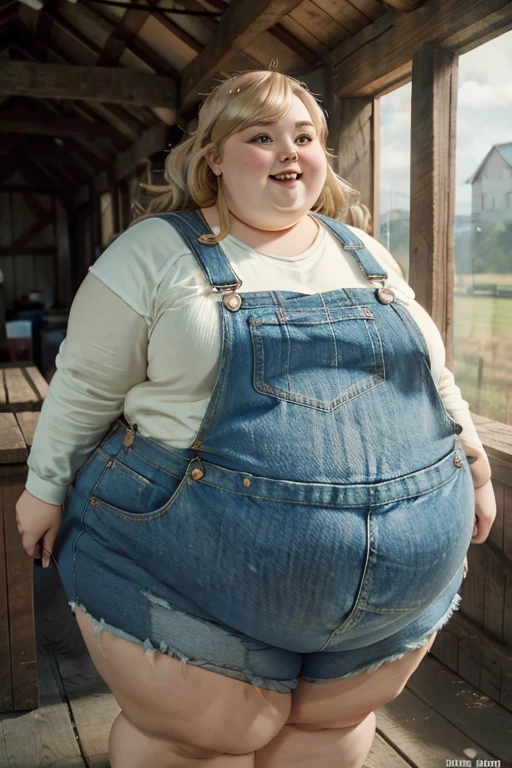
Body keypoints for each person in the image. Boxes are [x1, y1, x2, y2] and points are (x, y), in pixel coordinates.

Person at [16, 70, 496, 768]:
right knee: (205, 739)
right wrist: (43, 487)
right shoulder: (155, 252)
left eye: (304, 137)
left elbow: (432, 376)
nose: (289, 152)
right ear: (213, 156)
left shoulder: (363, 252)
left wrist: (477, 470)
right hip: (191, 570)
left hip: (387, 597)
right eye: (261, 136)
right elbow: (85, 387)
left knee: (327, 728)